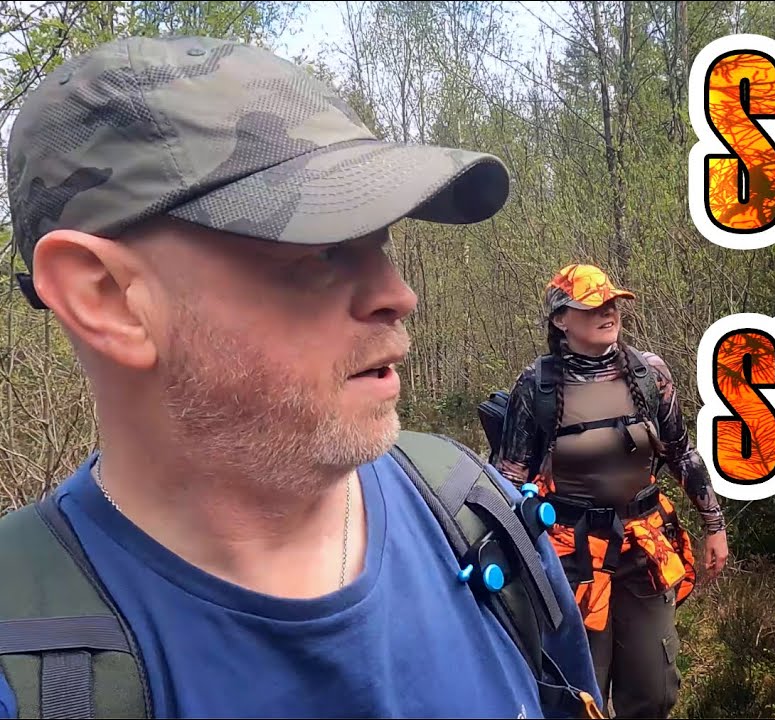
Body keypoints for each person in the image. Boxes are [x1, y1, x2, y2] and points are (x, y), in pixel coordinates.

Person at [0, 35, 602, 719]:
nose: (397, 295)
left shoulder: (476, 516)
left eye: (379, 241)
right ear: (105, 297)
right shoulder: (32, 666)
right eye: (317, 249)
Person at [494, 263, 730, 719]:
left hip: (644, 551)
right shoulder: (537, 385)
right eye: (593, 305)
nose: (609, 311)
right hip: (570, 558)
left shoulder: (649, 373)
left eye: (613, 303)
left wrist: (714, 525)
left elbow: (682, 454)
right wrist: (512, 563)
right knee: (582, 690)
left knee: (655, 689)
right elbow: (510, 479)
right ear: (561, 319)